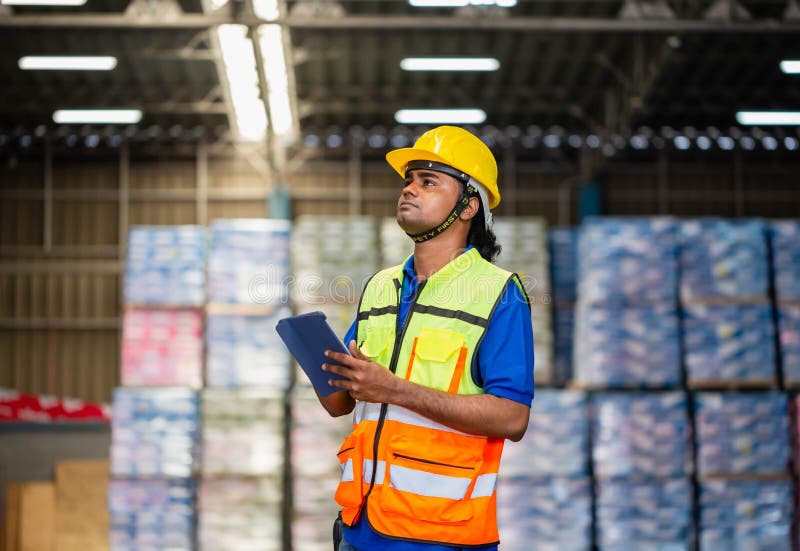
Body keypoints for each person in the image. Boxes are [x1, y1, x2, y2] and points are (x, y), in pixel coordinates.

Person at [318, 125, 535, 551]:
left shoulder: (499, 293)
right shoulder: (380, 287)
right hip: (359, 529)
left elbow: (512, 418)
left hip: (440, 537)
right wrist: (318, 362)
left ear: (469, 206)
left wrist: (394, 389)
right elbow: (340, 403)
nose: (409, 190)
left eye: (428, 181)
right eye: (408, 180)